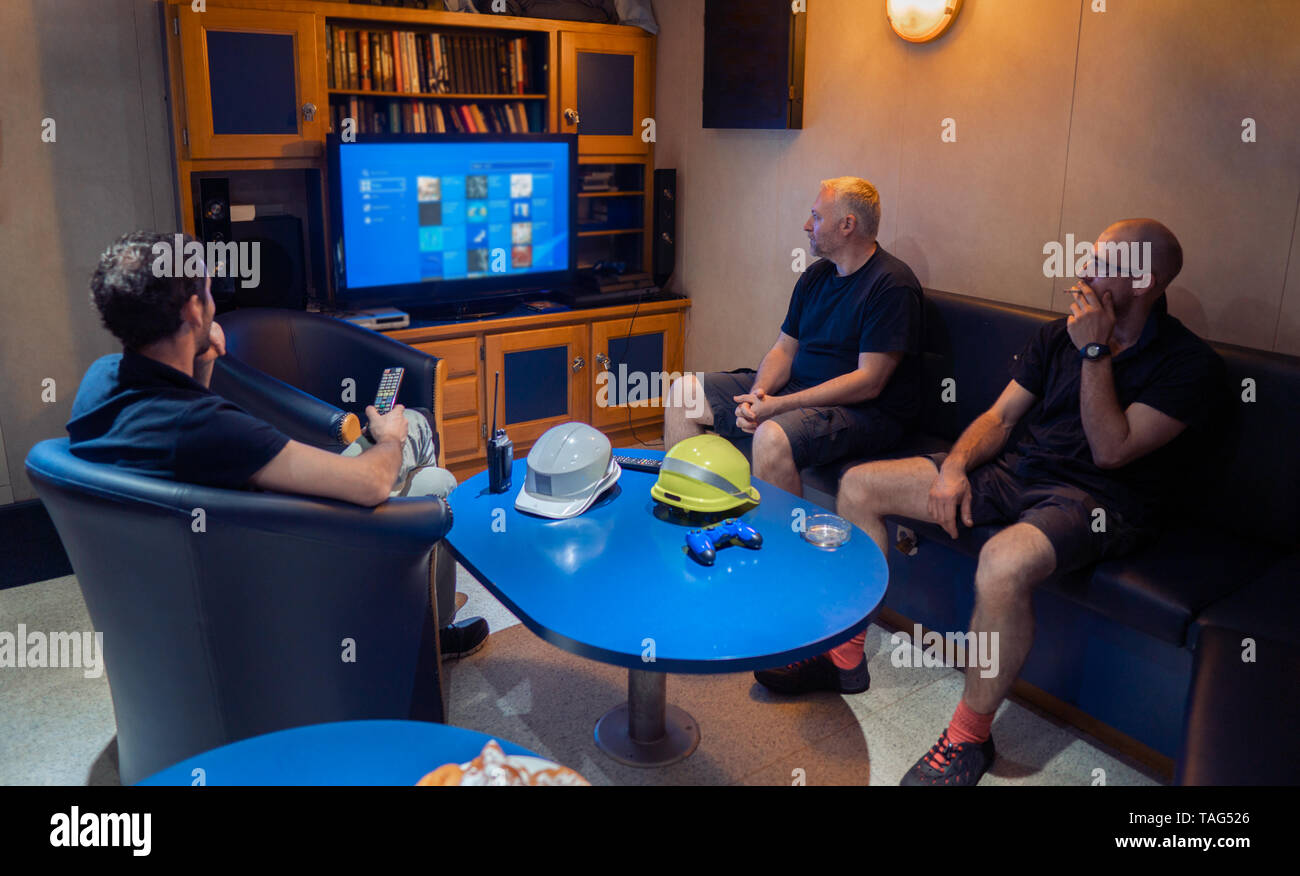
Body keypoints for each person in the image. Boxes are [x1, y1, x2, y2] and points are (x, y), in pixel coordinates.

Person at [819, 219, 1223, 785]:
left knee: (1003, 562)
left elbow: (1112, 450)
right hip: (1019, 471)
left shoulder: (1189, 365)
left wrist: (1096, 351)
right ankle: (843, 658)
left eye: (1103, 263)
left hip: (1099, 501)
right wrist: (955, 468)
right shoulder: (1059, 334)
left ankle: (967, 738)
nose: (1084, 270)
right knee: (860, 485)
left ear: (1144, 280)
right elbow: (1002, 416)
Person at [67, 231, 487, 656]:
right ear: (194, 310)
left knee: (412, 423)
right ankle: (431, 627)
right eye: (209, 291)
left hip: (188, 578)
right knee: (430, 475)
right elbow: (371, 483)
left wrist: (205, 359)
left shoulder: (100, 382)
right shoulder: (212, 429)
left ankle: (426, 602)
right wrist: (388, 439)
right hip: (291, 560)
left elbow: (190, 418)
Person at [664, 177, 923, 498]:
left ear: (847, 224)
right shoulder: (816, 275)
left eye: (816, 216)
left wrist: (778, 407)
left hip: (865, 412)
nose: (806, 224)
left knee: (770, 436)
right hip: (800, 392)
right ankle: (693, 508)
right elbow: (784, 349)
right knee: (682, 395)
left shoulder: (891, 285)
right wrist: (759, 395)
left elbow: (869, 381)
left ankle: (776, 542)